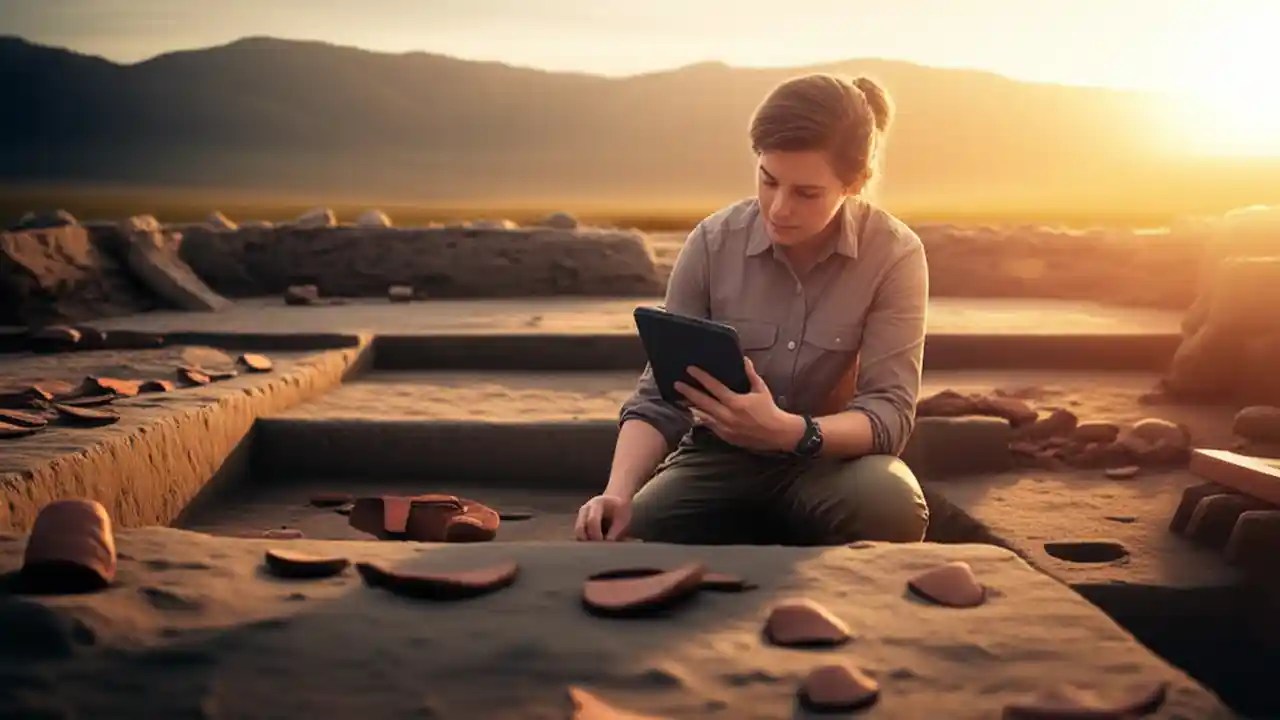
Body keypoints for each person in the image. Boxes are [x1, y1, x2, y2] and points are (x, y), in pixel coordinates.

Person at [574, 73, 930, 545]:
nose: (779, 208)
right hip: (719, 460)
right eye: (768, 180)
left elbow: (889, 413)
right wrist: (617, 493)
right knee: (629, 532)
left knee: (893, 507)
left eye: (806, 193)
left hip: (831, 464)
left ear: (855, 183)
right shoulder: (711, 243)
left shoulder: (895, 255)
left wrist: (790, 432)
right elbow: (660, 397)